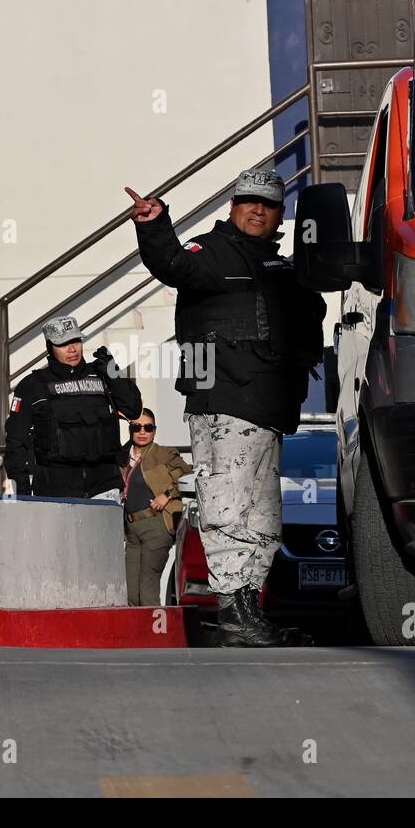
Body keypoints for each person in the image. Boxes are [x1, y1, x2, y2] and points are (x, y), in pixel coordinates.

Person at [126, 168, 325, 647]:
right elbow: (173, 263)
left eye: (269, 204)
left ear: (280, 215)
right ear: (233, 206)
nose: (257, 210)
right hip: (224, 403)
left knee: (262, 518)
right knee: (228, 506)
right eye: (248, 201)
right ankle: (234, 613)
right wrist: (154, 225)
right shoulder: (210, 252)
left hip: (268, 410)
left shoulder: (281, 267)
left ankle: (248, 611)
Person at [4, 315, 142, 500]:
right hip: (55, 489)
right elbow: (15, 441)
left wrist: (113, 372)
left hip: (104, 486)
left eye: (76, 340)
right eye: (63, 343)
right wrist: (22, 491)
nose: (72, 349)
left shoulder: (102, 374)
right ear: (50, 347)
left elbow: (134, 409)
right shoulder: (33, 385)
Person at [120, 409, 191, 606]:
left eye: (148, 427)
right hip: (131, 530)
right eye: (137, 427)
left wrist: (167, 495)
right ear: (130, 429)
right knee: (130, 591)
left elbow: (188, 476)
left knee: (147, 586)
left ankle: (153, 634)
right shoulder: (122, 456)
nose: (142, 432)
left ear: (154, 431)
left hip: (157, 525)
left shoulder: (164, 454)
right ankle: (135, 634)